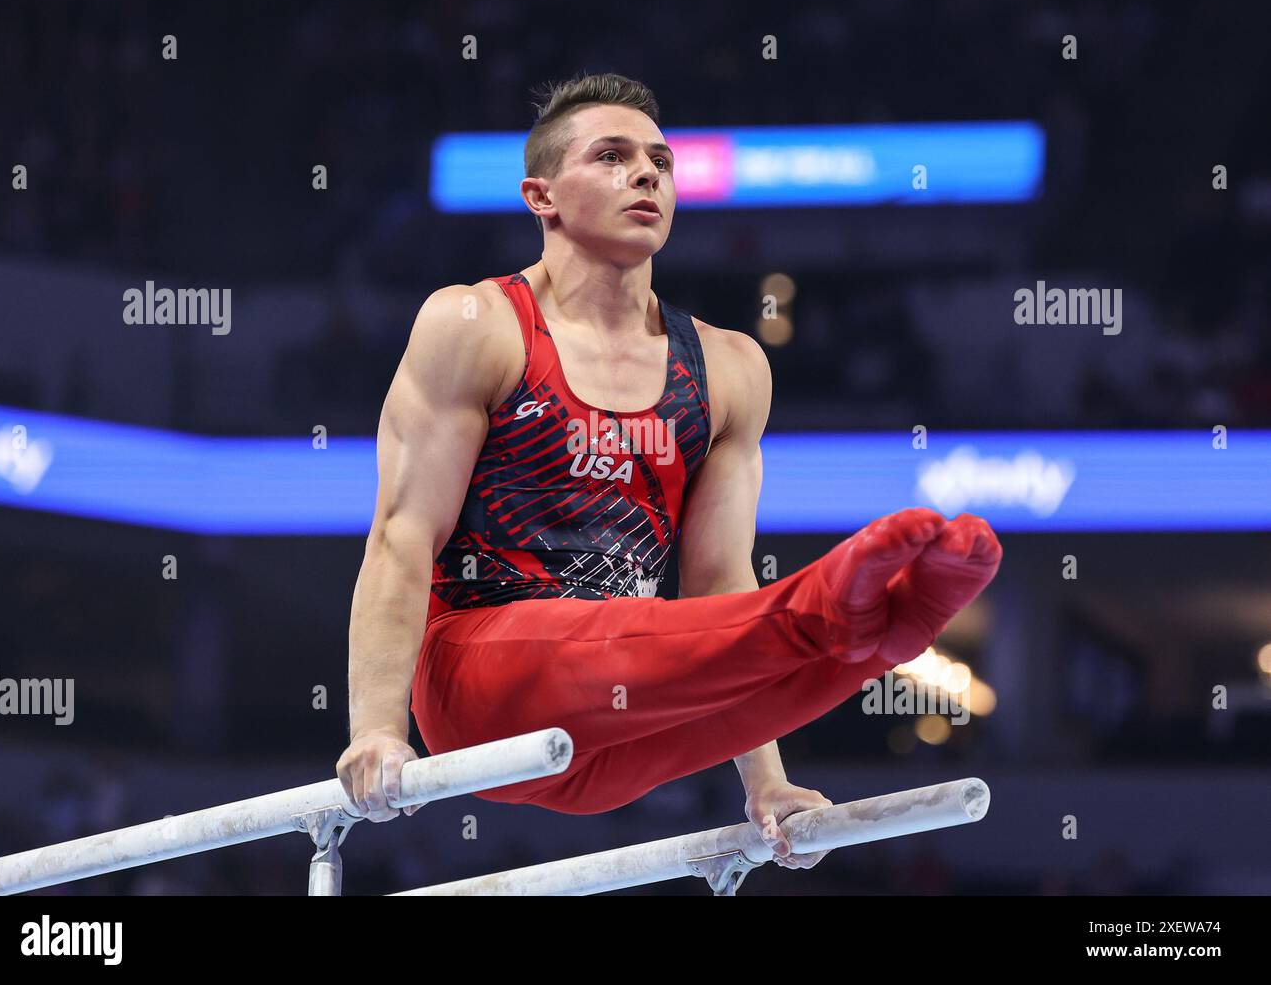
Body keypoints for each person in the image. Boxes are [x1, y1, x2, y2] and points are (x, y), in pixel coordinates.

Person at [336, 73, 1001, 872]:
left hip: (619, 726)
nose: (646, 175)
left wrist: (768, 786)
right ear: (541, 197)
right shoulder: (477, 326)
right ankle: (831, 611)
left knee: (763, 662)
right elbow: (402, 535)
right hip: (481, 689)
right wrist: (377, 730)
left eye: (660, 161)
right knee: (653, 634)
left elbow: (718, 587)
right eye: (611, 157)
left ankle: (875, 638)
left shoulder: (728, 367)